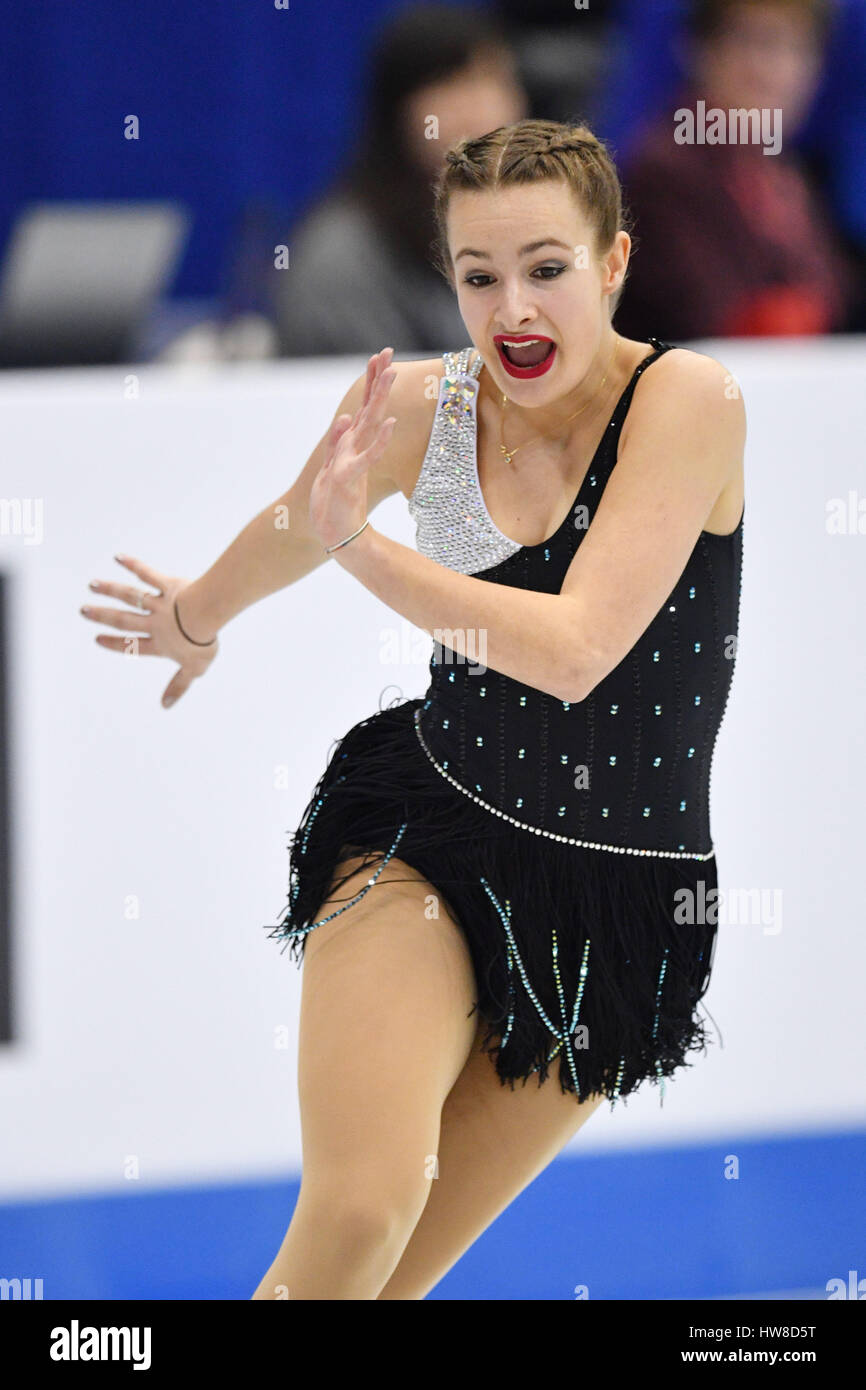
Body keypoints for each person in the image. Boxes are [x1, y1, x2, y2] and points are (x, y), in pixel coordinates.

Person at [79, 117, 745, 1301]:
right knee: (355, 1216)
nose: (511, 311)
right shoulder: (419, 408)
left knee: (390, 1287)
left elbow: (579, 649)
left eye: (545, 267)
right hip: (430, 830)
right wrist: (200, 611)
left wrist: (362, 552)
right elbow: (303, 516)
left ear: (614, 264)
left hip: (614, 899)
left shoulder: (685, 402)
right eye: (477, 276)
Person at [272, 4, 527, 358]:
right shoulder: (344, 254)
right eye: (451, 84)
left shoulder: (527, 225)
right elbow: (381, 397)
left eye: (494, 79)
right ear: (398, 110)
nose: (481, 107)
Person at [612, 0, 857, 340]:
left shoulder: (784, 171)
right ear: (700, 51)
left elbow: (838, 299)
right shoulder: (665, 170)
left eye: (796, 48)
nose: (771, 68)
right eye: (754, 41)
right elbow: (719, 319)